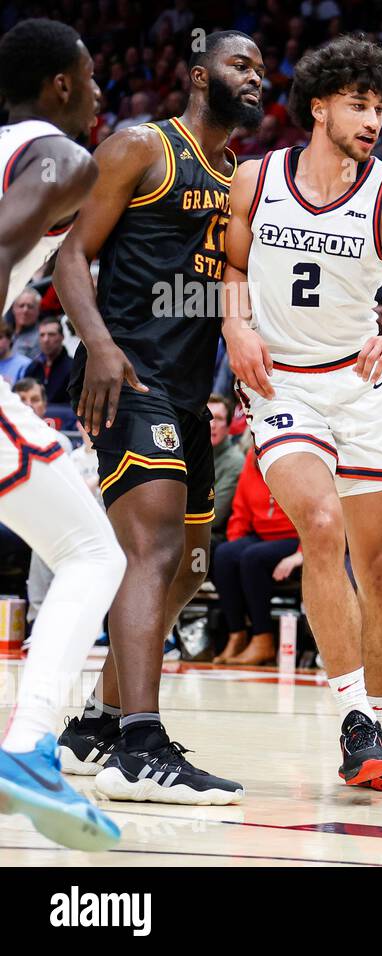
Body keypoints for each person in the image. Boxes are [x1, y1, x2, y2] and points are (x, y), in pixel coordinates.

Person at [222, 36, 382, 795]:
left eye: (380, 106)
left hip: (360, 388)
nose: (372, 118)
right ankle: (355, 716)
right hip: (282, 385)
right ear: (318, 105)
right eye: (358, 103)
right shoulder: (257, 179)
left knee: (381, 568)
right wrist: (235, 325)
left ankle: (375, 730)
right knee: (320, 524)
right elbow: (230, 266)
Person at [53, 30, 264, 806]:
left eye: (263, 70)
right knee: (154, 549)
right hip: (128, 372)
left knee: (191, 567)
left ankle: (96, 725)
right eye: (242, 65)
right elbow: (72, 255)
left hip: (187, 388)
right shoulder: (142, 147)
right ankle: (141, 746)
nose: (256, 77)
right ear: (200, 73)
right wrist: (98, 347)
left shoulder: (240, 176)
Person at [0, 17, 126, 852]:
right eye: (90, 78)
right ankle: (29, 749)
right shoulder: (60, 155)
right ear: (61, 87)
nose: (99, 93)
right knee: (93, 553)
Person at [210, 449, 300, 665]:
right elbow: (240, 510)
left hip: (296, 538)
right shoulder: (253, 458)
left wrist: (300, 554)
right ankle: (237, 635)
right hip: (261, 535)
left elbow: (318, 515)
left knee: (252, 558)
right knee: (224, 554)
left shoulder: (296, 455)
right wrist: (235, 544)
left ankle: (263, 639)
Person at [208, 393, 244, 547]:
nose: (211, 424)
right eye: (207, 417)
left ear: (229, 427)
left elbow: (215, 517)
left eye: (219, 418)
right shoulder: (189, 454)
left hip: (215, 536)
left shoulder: (235, 461)